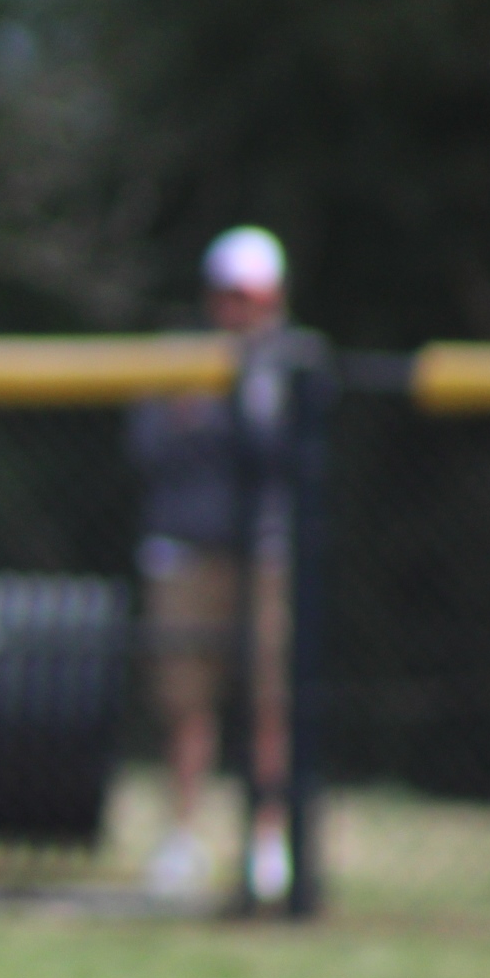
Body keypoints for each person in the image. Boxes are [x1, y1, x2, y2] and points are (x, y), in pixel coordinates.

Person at [128, 226, 307, 903]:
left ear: (275, 298)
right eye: (229, 297)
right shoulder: (181, 356)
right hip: (184, 553)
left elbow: (284, 456)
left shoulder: (293, 364)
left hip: (262, 554)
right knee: (186, 703)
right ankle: (182, 839)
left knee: (269, 700)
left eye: (252, 298)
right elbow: (148, 446)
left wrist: (226, 413)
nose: (239, 311)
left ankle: (268, 844)